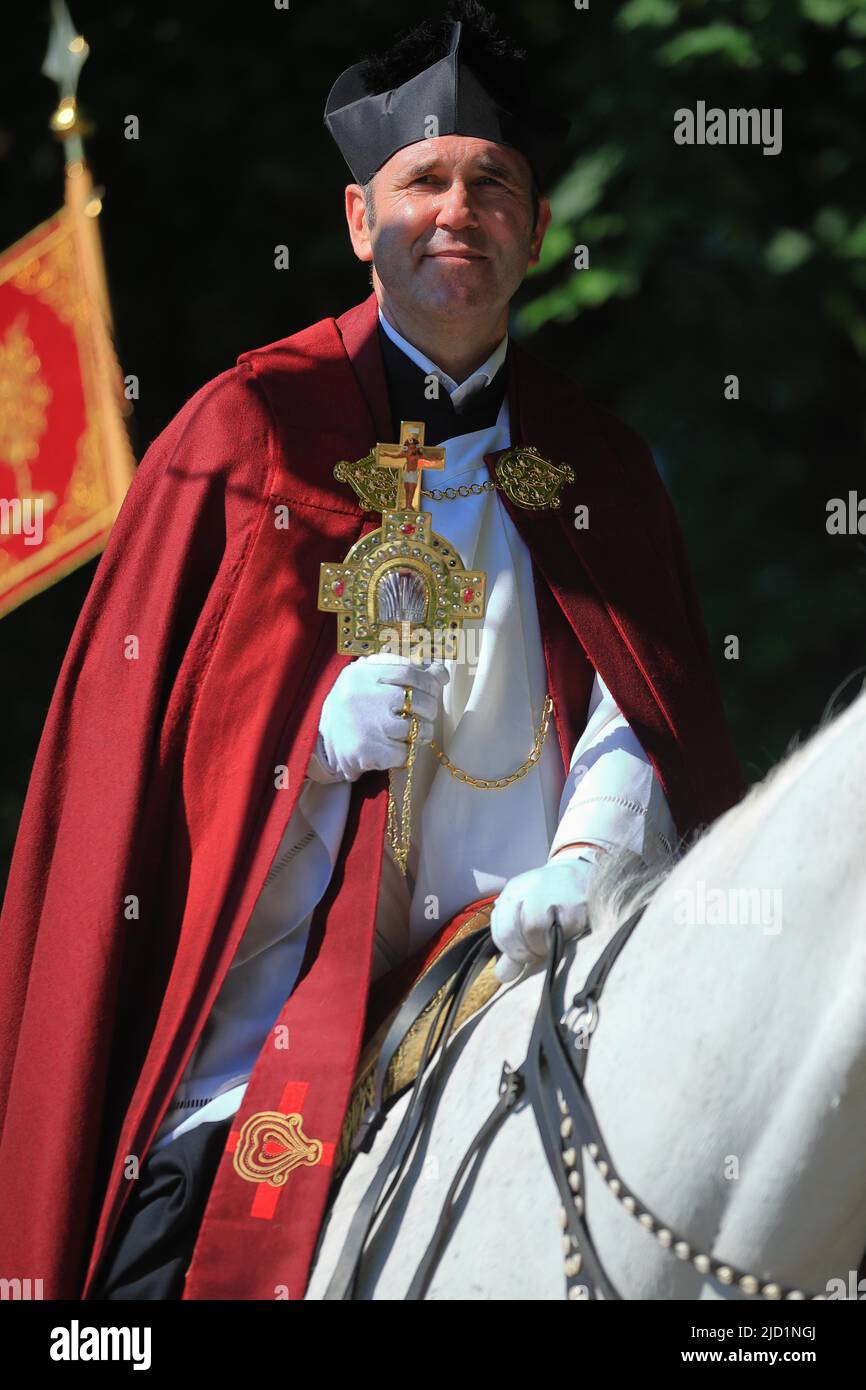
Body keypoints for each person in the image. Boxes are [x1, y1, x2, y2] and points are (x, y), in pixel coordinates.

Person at [0, 1, 743, 1301]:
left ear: (535, 227)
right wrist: (304, 744)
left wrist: (587, 856)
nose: (457, 209)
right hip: (263, 1015)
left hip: (521, 970)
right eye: (423, 181)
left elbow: (644, 711)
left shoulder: (602, 469)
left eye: (492, 183)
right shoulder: (241, 433)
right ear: (360, 223)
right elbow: (146, 773)